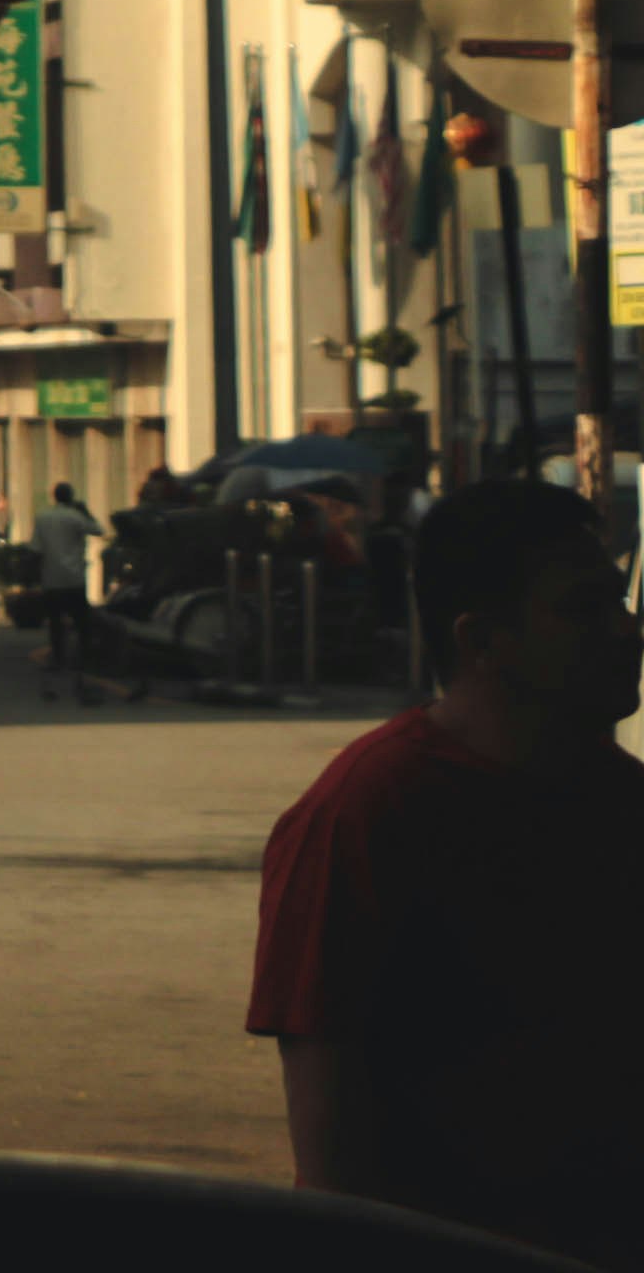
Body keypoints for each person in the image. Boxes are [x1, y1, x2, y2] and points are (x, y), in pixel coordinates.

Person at [248, 476, 644, 1260]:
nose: (628, 631)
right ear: (482, 640)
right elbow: (332, 1167)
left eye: (620, 602)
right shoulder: (362, 814)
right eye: (584, 609)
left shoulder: (617, 797)